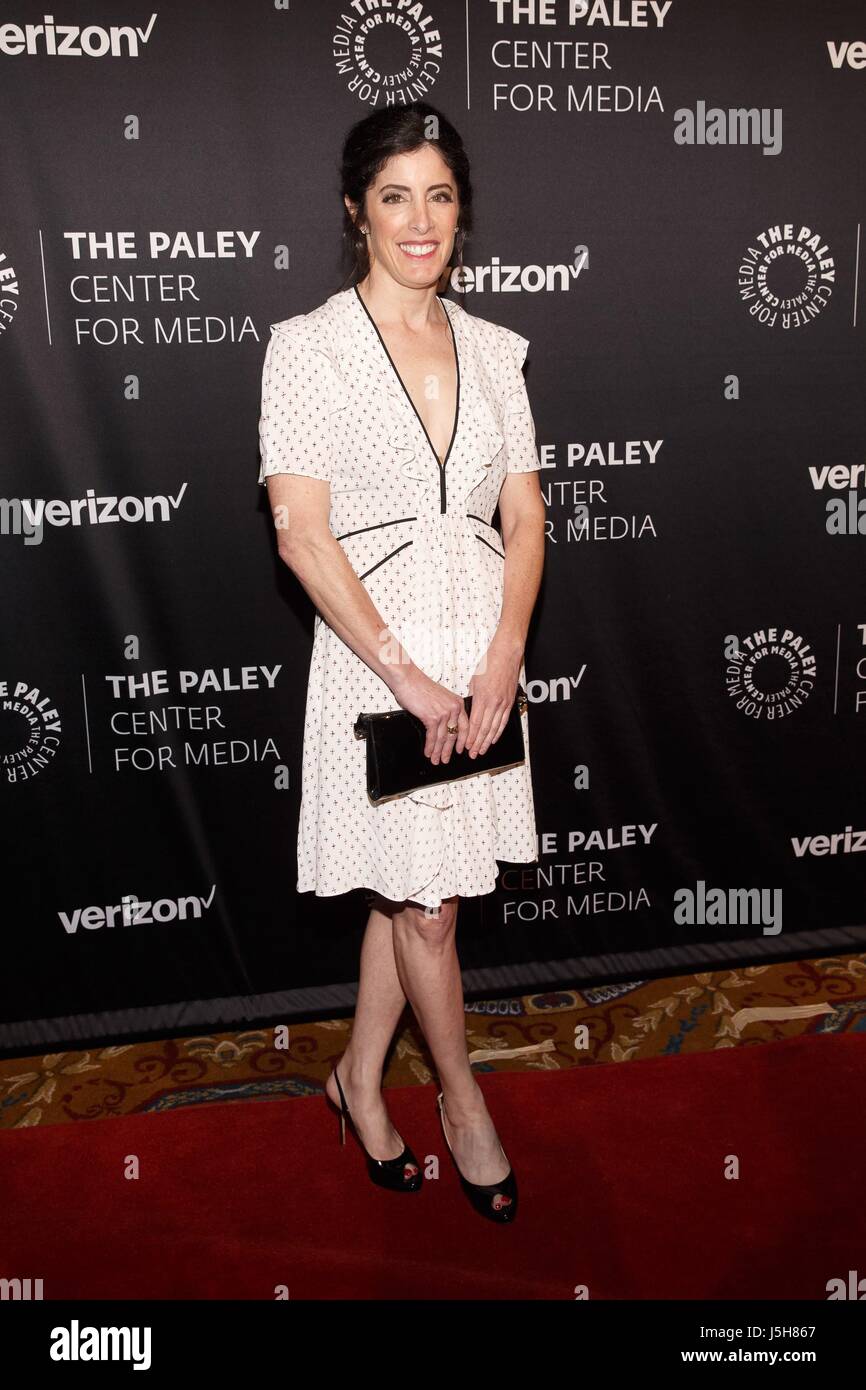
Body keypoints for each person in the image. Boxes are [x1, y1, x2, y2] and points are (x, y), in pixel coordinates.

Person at [257, 102, 545, 1223]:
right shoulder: (308, 346)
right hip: (379, 659)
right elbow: (299, 533)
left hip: (478, 651)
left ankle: (356, 1080)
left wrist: (504, 653)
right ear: (353, 211)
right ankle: (462, 1100)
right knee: (425, 905)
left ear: (459, 209)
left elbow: (524, 516)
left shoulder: (496, 350)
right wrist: (403, 675)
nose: (418, 220)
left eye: (437, 194)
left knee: (411, 888)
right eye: (393, 195)